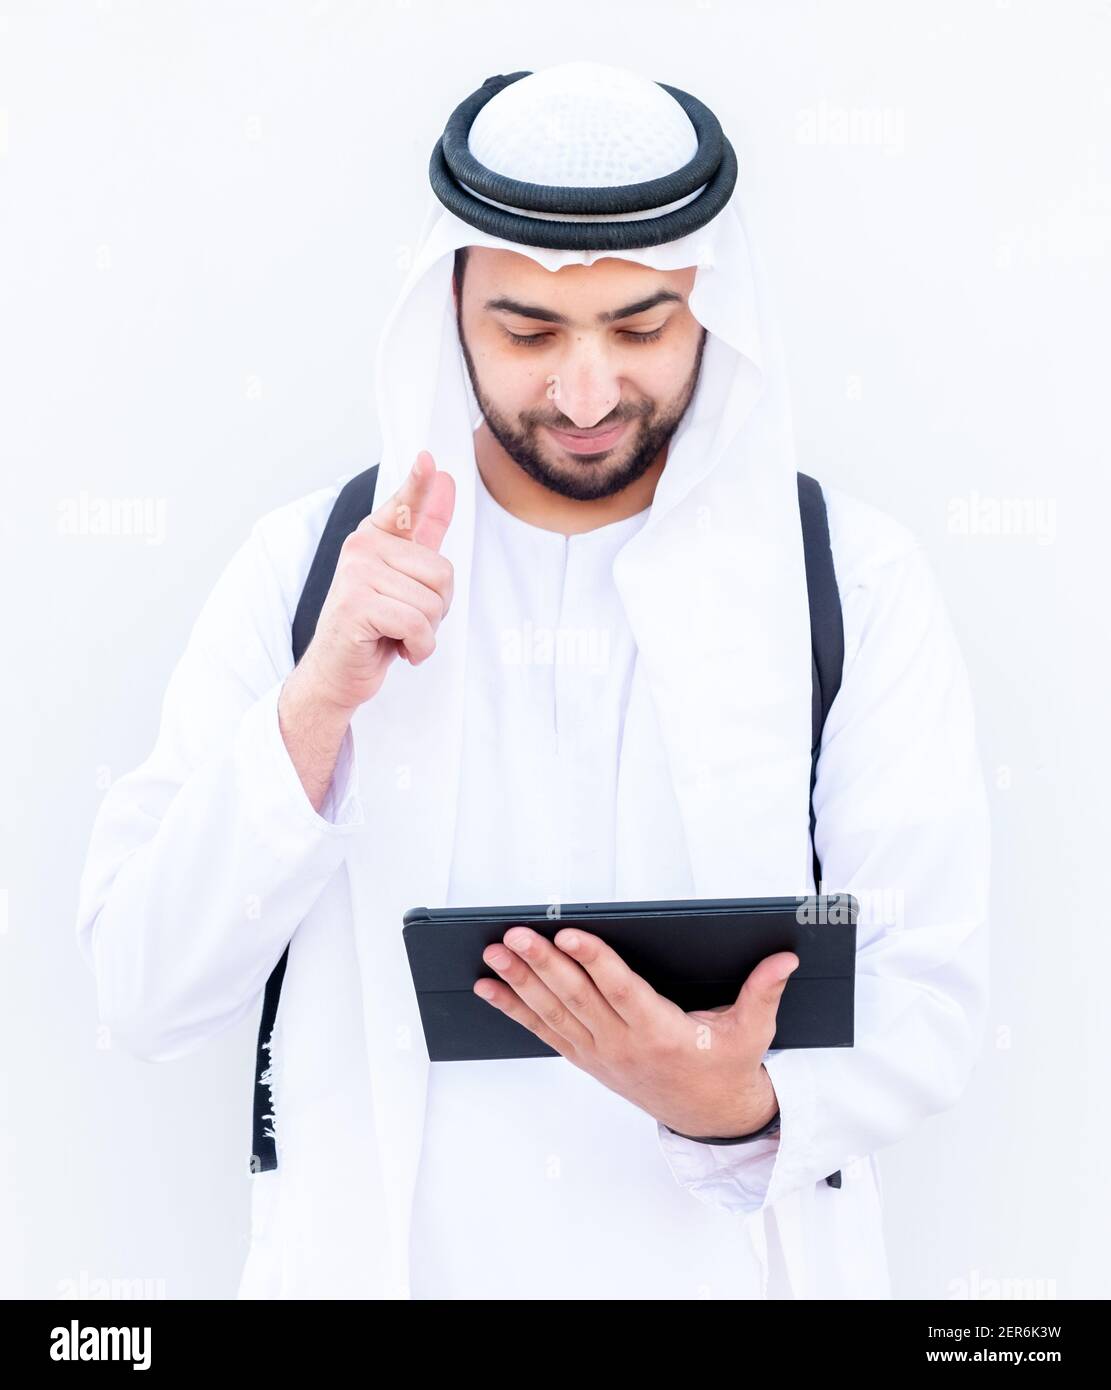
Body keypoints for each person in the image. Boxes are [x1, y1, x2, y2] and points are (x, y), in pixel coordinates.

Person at [75, 61, 990, 1300]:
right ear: (449, 303)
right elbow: (142, 992)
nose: (585, 393)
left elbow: (927, 990)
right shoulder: (304, 575)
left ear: (710, 310)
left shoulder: (854, 584)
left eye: (639, 326)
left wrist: (735, 1102)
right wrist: (314, 708)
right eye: (528, 331)